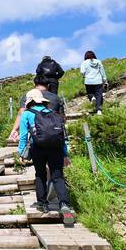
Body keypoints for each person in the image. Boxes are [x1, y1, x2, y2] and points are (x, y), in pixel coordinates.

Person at [17, 89, 74, 226]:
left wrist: (21, 153)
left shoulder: (27, 114)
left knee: (40, 174)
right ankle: (64, 205)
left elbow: (23, 136)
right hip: (56, 148)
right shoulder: (54, 114)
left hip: (38, 148)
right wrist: (65, 154)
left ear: (30, 102)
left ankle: (43, 204)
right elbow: (62, 136)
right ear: (42, 101)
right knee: (58, 176)